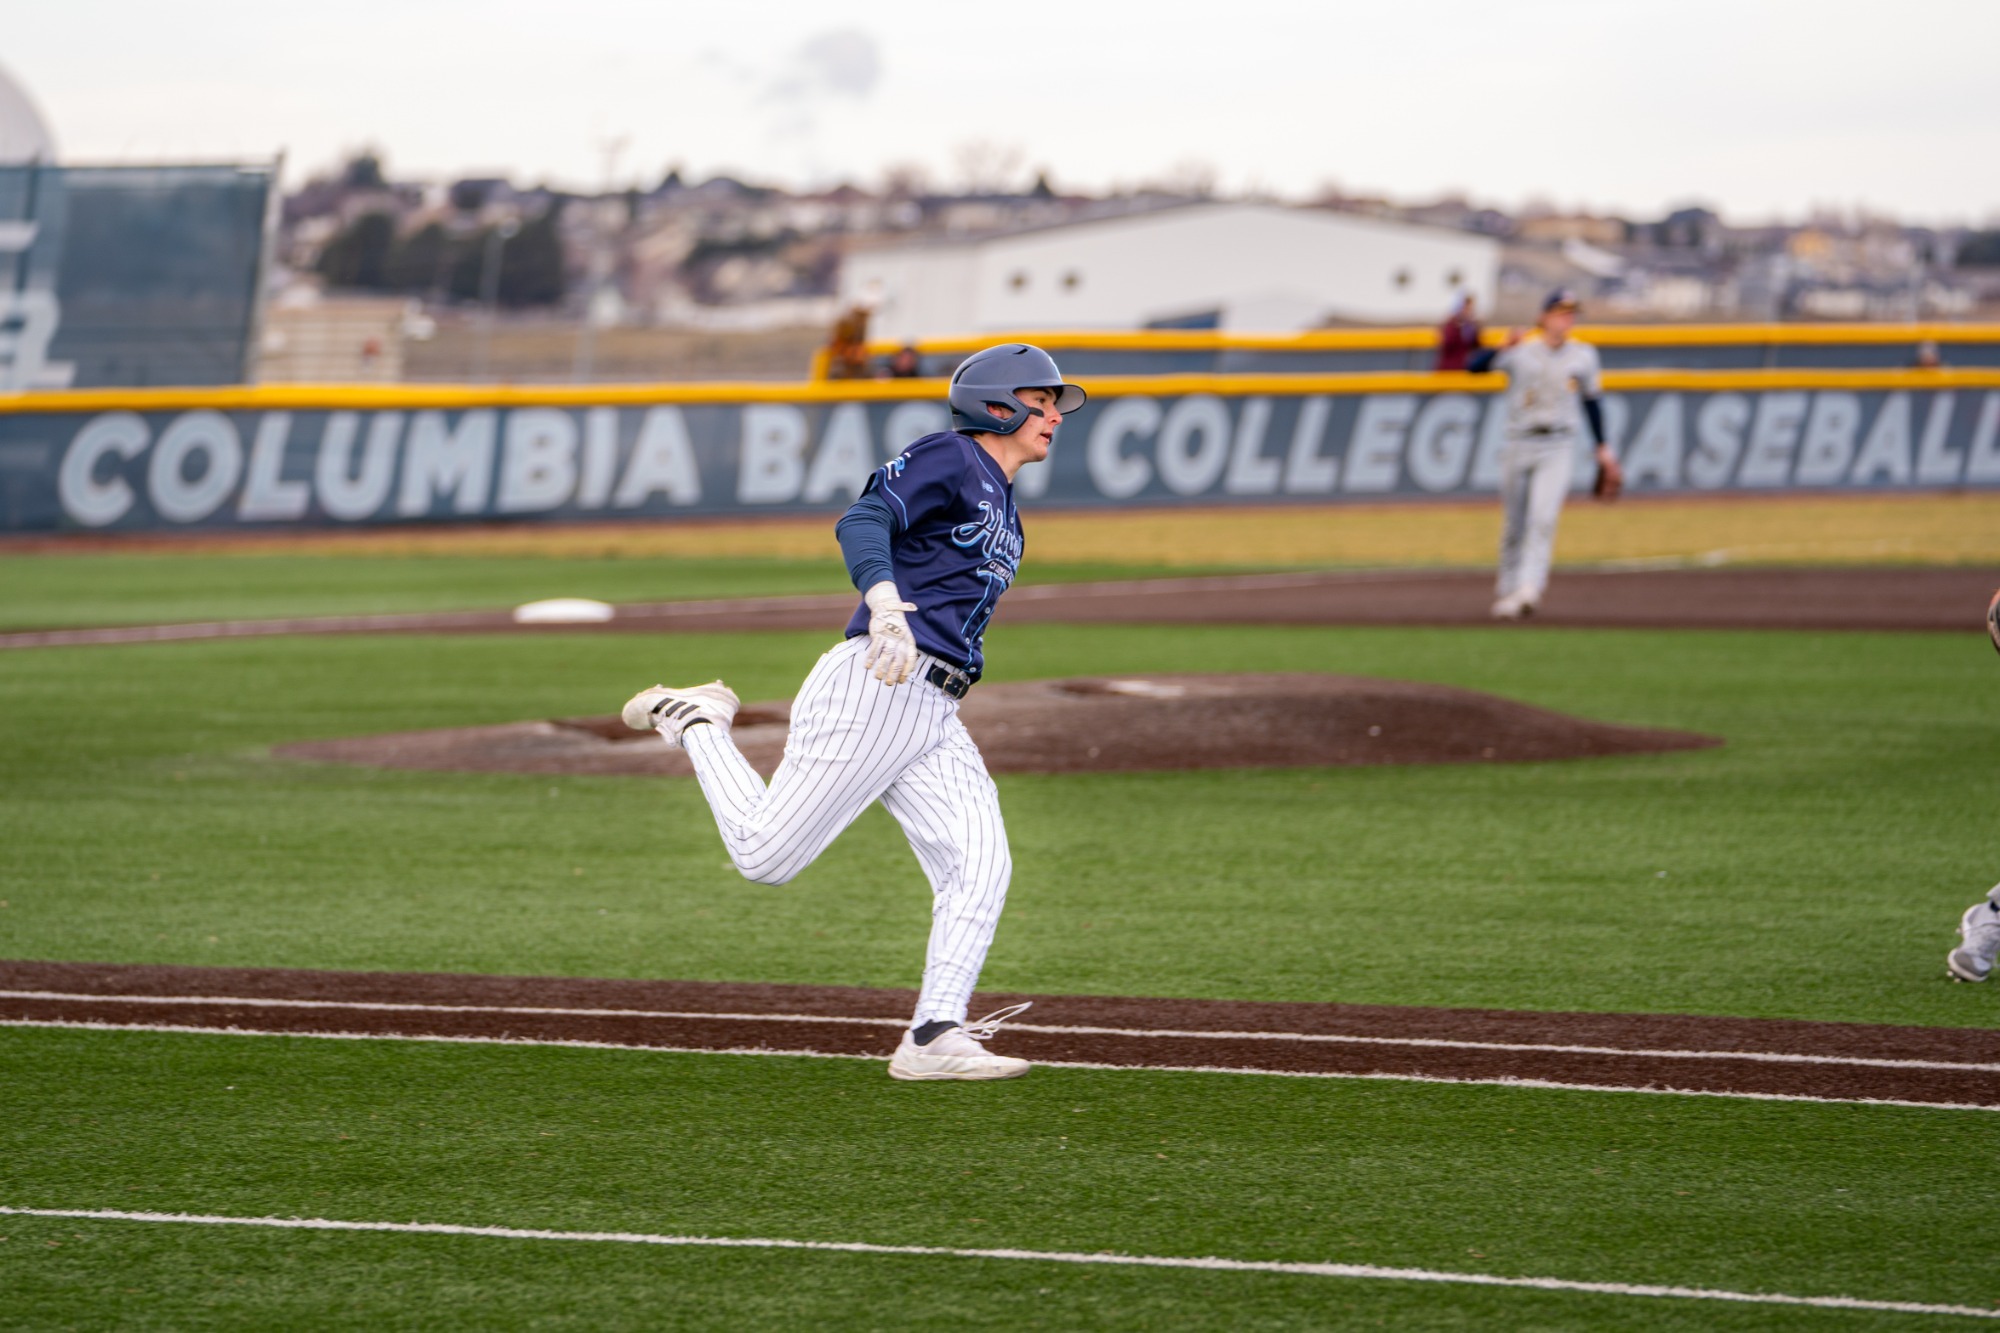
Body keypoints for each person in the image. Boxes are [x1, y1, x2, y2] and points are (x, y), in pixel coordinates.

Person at [621, 343, 1086, 1081]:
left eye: (1058, 401)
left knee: (980, 863)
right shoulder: (953, 457)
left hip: (933, 706)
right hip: (880, 679)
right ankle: (698, 720)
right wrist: (882, 602)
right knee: (766, 856)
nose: (1055, 413)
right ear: (997, 403)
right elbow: (864, 519)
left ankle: (933, 1034)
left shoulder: (1006, 506)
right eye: (1042, 398)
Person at [1468, 289, 1622, 619]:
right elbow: (1473, 367)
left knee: (1543, 518)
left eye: (1571, 313)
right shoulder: (1521, 350)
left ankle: (1529, 589)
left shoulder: (1583, 355)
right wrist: (1499, 348)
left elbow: (1592, 402)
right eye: (1560, 312)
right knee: (1515, 524)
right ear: (1543, 317)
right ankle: (1508, 589)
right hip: (1518, 441)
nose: (1566, 319)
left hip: (1558, 444)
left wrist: (1603, 448)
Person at [1434, 292, 1481, 371]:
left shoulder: (1470, 327)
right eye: (1467, 308)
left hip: (1463, 368)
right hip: (1449, 369)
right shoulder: (1451, 325)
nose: (1469, 311)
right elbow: (1447, 344)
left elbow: (1476, 345)